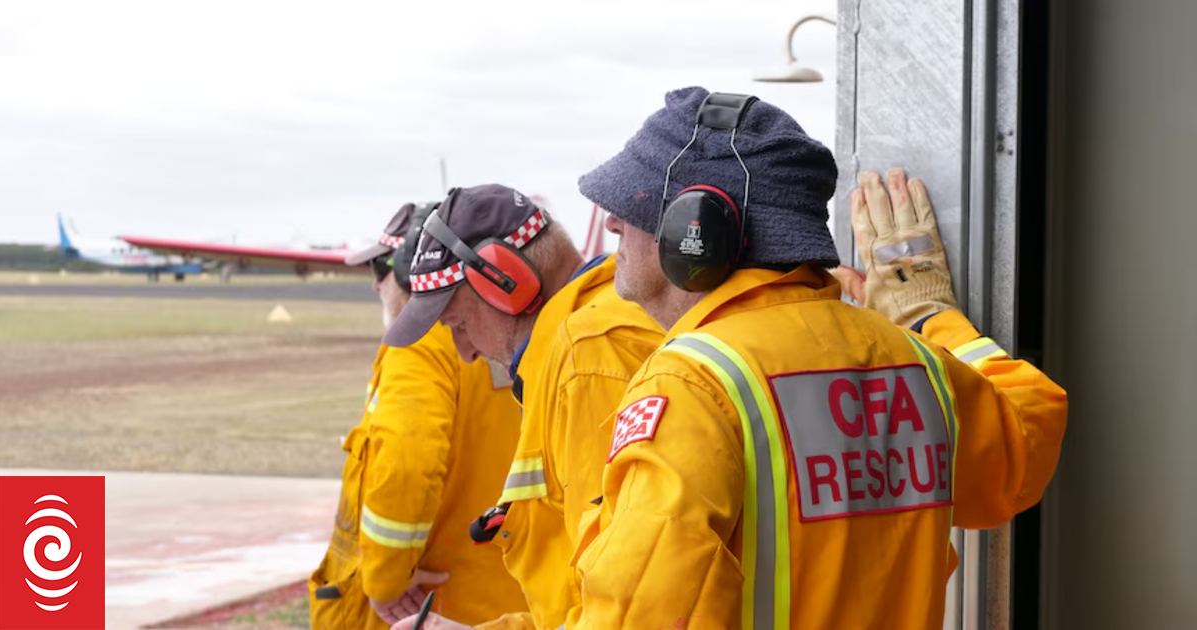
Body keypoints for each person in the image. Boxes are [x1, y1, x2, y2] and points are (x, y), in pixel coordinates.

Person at [562, 87, 1068, 629]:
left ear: (697, 232)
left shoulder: (692, 385)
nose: (612, 224)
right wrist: (930, 316)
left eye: (632, 205)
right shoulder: (916, 363)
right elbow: (1029, 435)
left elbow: (637, 615)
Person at [383, 184, 664, 630]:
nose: (465, 352)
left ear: (505, 282)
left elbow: (631, 604)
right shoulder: (591, 332)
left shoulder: (588, 358)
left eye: (458, 323)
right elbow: (593, 597)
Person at [307, 202, 528, 630]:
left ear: (413, 271)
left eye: (380, 268)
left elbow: (407, 461)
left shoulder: (420, 345)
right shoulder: (504, 337)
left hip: (433, 609)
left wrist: (385, 581)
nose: (375, 284)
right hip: (512, 599)